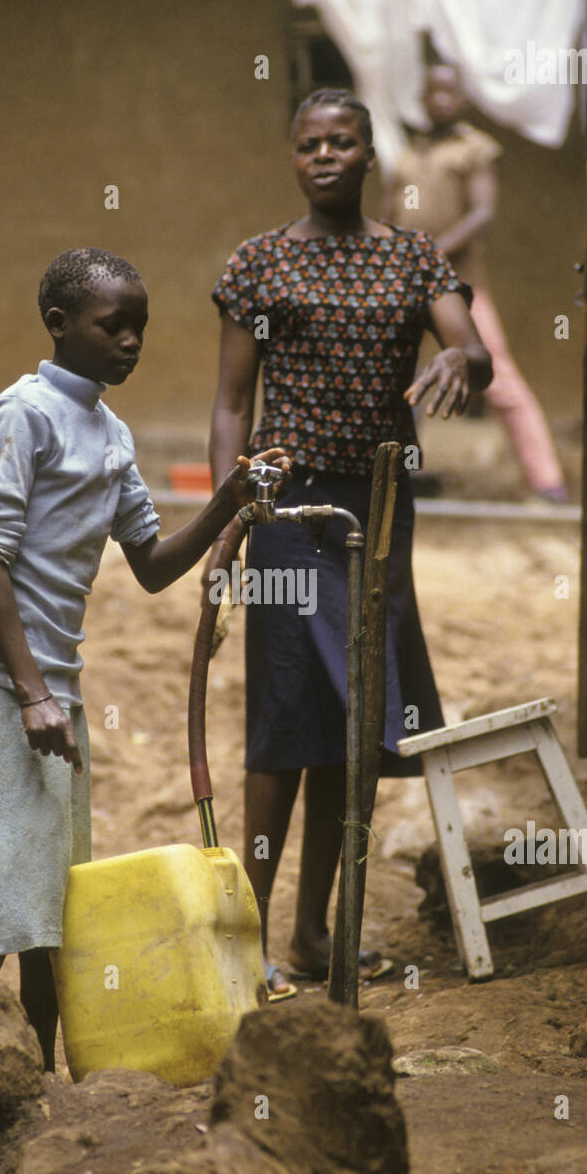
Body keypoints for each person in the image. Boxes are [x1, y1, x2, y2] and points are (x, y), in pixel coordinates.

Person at [0, 247, 289, 1069]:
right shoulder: (26, 415)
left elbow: (152, 565)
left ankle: (39, 1067)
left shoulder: (112, 435)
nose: (130, 343)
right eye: (112, 326)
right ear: (58, 325)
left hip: (51, 682)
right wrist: (30, 693)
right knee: (22, 864)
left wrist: (228, 502)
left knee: (49, 884)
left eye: (139, 329)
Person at [206, 89, 492, 1000]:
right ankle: (245, 938)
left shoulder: (413, 258)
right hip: (287, 514)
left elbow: (470, 350)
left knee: (354, 716)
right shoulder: (257, 265)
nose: (325, 156)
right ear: (293, 158)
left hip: (376, 511)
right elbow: (228, 407)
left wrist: (460, 359)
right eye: (309, 144)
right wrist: (229, 516)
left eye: (343, 142)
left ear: (372, 154)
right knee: (286, 712)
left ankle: (311, 930)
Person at [381, 63, 568, 502]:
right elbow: (388, 219)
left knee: (499, 380)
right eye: (433, 91)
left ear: (463, 99)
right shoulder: (408, 157)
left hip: (459, 288)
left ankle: (548, 484)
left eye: (450, 91)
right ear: (424, 98)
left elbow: (482, 214)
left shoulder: (476, 151)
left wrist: (431, 255)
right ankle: (394, 481)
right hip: (406, 287)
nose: (440, 99)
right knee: (399, 380)